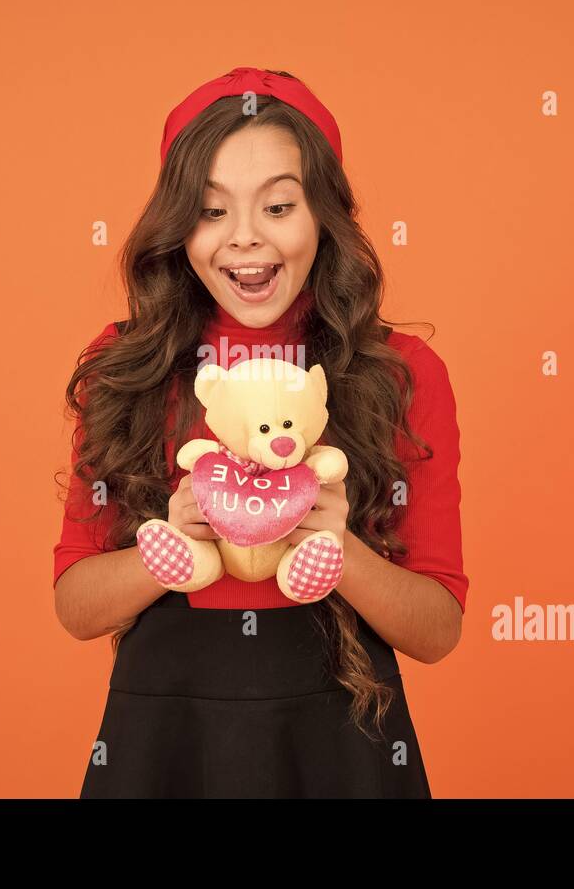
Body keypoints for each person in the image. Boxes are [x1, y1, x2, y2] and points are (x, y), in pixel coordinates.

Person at [53, 66, 467, 798]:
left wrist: (339, 550)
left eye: (278, 205)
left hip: (343, 748)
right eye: (211, 212)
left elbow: (437, 627)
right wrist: (174, 548)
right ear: (178, 227)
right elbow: (74, 603)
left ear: (324, 217)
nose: (244, 238)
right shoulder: (126, 366)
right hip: (165, 748)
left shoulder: (402, 372)